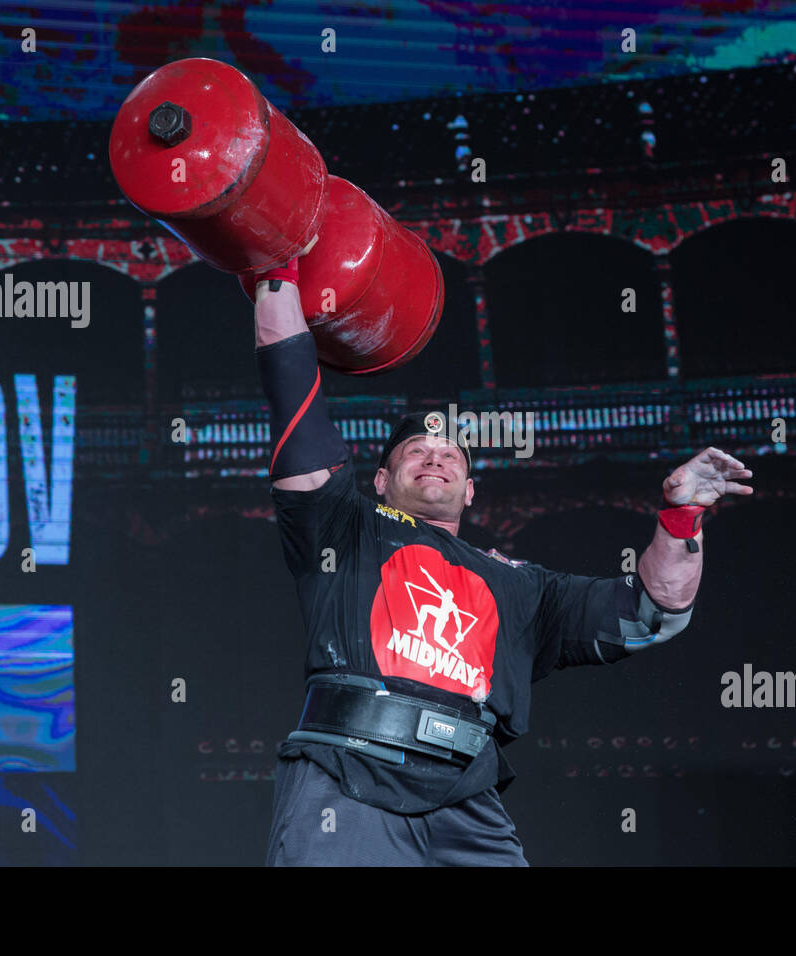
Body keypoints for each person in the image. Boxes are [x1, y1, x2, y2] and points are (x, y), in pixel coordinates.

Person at [253, 251, 753, 866]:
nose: (435, 457)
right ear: (380, 480)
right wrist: (275, 261)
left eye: (451, 455)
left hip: (469, 798)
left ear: (470, 491)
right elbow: (294, 403)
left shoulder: (524, 587)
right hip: (346, 769)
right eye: (416, 450)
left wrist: (681, 515)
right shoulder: (345, 526)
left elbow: (654, 612)